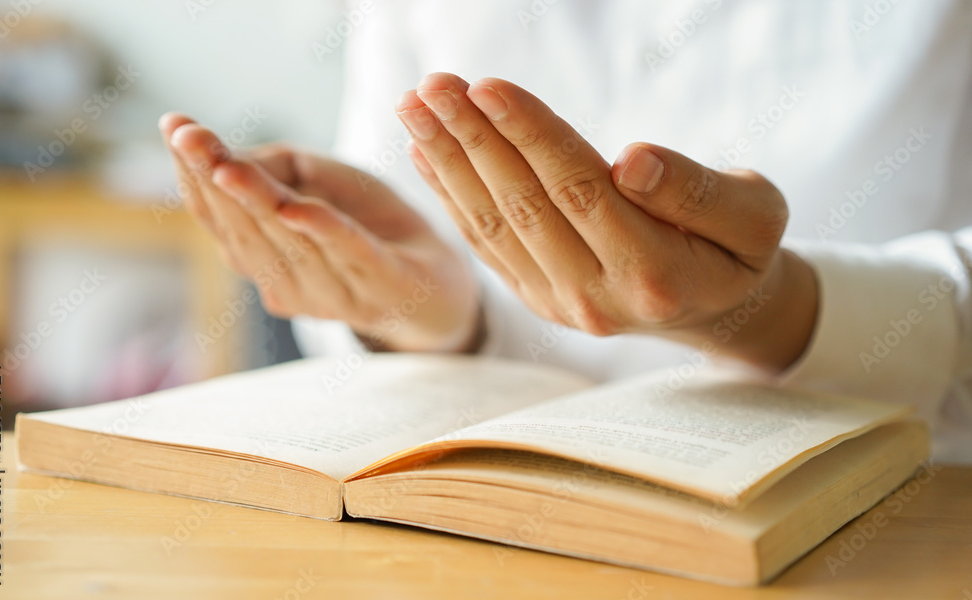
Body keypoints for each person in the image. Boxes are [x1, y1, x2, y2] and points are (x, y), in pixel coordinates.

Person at [158, 0, 971, 463]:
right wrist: (423, 312)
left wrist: (775, 310)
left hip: (891, 508)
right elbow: (412, 231)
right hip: (487, 518)